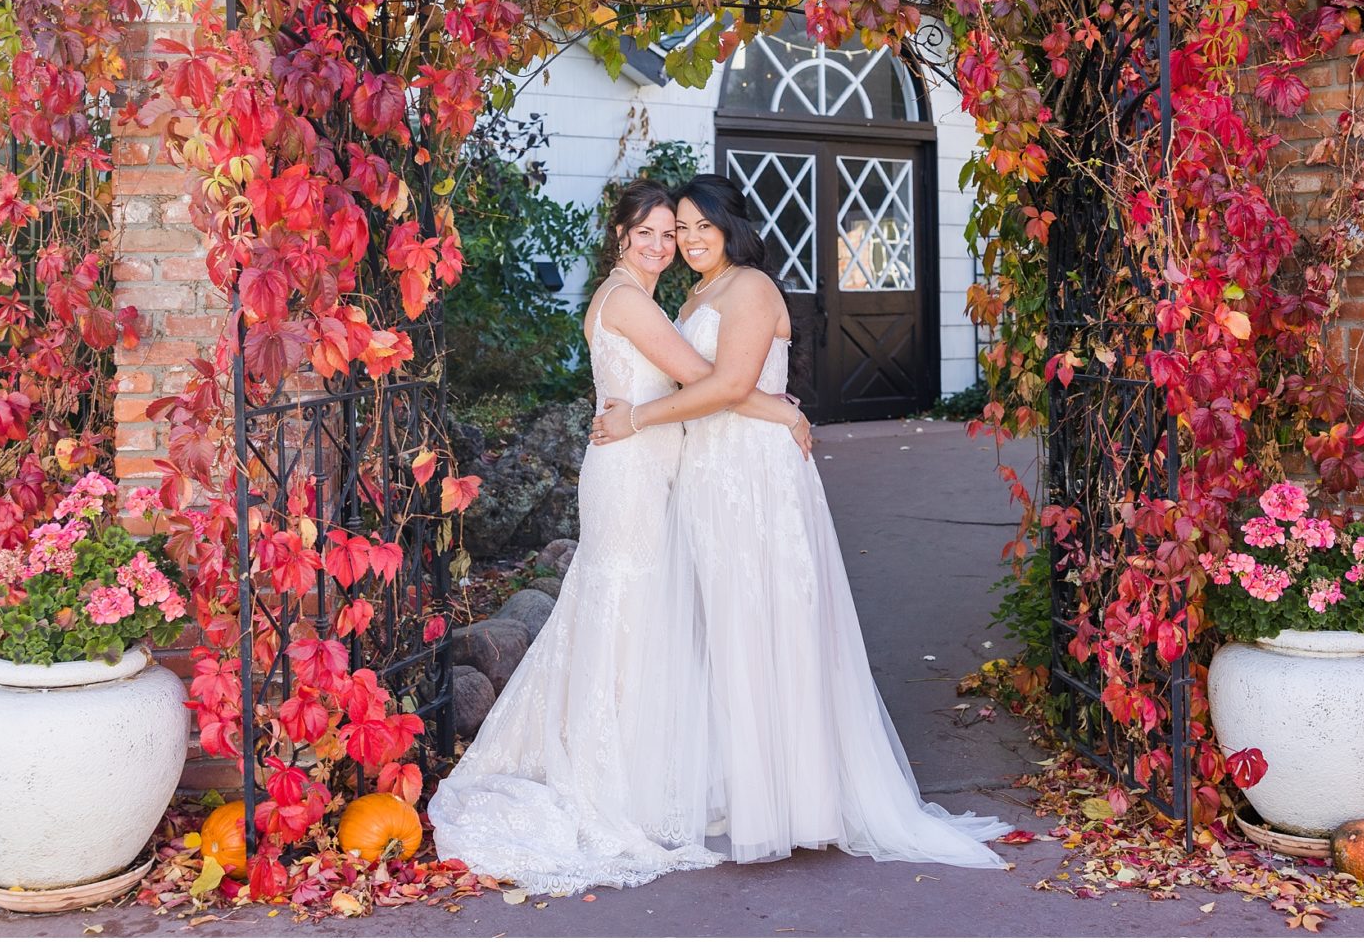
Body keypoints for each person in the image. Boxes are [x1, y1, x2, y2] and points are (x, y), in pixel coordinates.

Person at [590, 173, 1010, 869]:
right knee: (725, 628)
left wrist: (636, 417)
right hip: (708, 470)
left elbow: (726, 387)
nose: (689, 240)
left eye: (700, 226)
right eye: (679, 229)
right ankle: (746, 789)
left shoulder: (749, 286)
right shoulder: (694, 292)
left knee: (768, 622)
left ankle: (800, 803)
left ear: (731, 226)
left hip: (753, 474)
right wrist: (775, 404)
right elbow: (707, 382)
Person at [425, 180, 811, 894]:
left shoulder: (634, 296)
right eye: (650, 234)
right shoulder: (631, 301)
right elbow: (706, 379)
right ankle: (611, 777)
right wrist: (783, 410)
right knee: (627, 610)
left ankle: (636, 759)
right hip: (632, 471)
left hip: (643, 467)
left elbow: (687, 383)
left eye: (673, 234)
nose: (663, 246)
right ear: (619, 235)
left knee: (628, 611)